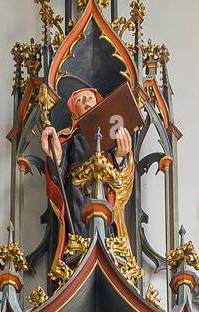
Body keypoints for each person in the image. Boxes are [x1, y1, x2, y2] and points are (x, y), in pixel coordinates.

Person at [40, 86, 134, 281]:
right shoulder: (68, 137)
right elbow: (58, 179)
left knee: (105, 228)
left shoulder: (111, 134)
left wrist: (120, 157)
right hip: (77, 195)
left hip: (104, 195)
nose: (85, 102)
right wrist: (57, 157)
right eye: (80, 100)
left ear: (98, 102)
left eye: (89, 98)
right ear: (74, 109)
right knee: (80, 232)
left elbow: (122, 180)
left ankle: (105, 253)